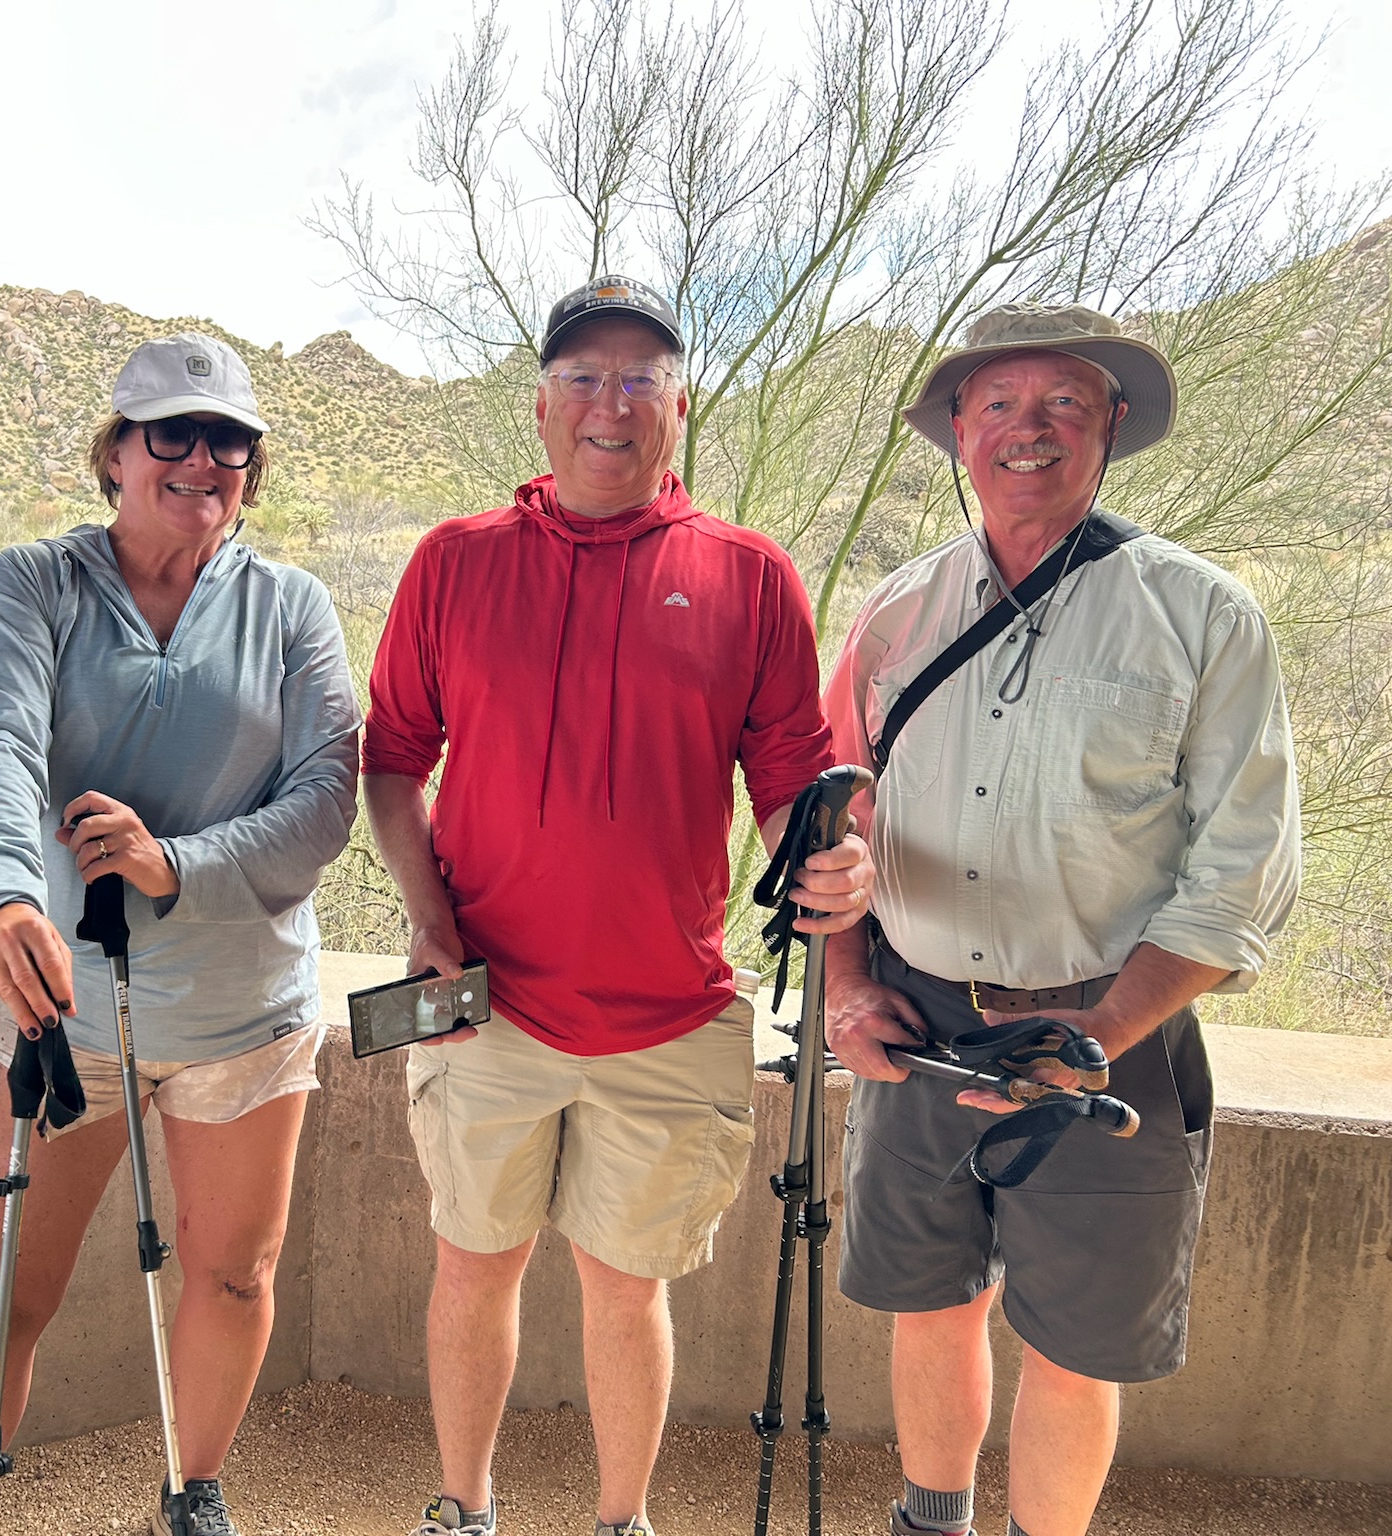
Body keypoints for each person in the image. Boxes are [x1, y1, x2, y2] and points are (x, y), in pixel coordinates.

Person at [361, 275, 873, 1536]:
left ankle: (618, 1519)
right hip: (484, 1013)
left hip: (668, 1016)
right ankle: (461, 1507)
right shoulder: (453, 562)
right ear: (540, 410)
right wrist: (426, 920)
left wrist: (838, 866)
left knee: (622, 1285)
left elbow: (794, 789)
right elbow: (387, 760)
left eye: (640, 378)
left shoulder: (749, 576)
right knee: (472, 1270)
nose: (611, 403)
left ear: (679, 409)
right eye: (583, 378)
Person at [822, 303, 1301, 1536]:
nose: (1025, 431)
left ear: (1111, 427)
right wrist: (843, 980)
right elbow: (829, 824)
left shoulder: (1201, 616)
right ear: (956, 433)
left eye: (1061, 406)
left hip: (1111, 1029)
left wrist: (1101, 1025)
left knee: (1074, 1342)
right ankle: (931, 1521)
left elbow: (1240, 869)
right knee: (928, 1301)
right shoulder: (892, 615)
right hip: (916, 1016)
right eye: (997, 405)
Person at [0, 334, 361, 1536]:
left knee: (234, 1274)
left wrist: (179, 863)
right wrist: (4, 894)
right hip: (63, 1012)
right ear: (114, 452)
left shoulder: (291, 608)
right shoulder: (32, 585)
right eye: (169, 432)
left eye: (228, 441)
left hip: (243, 1015)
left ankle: (193, 1489)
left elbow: (327, 794)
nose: (201, 459)